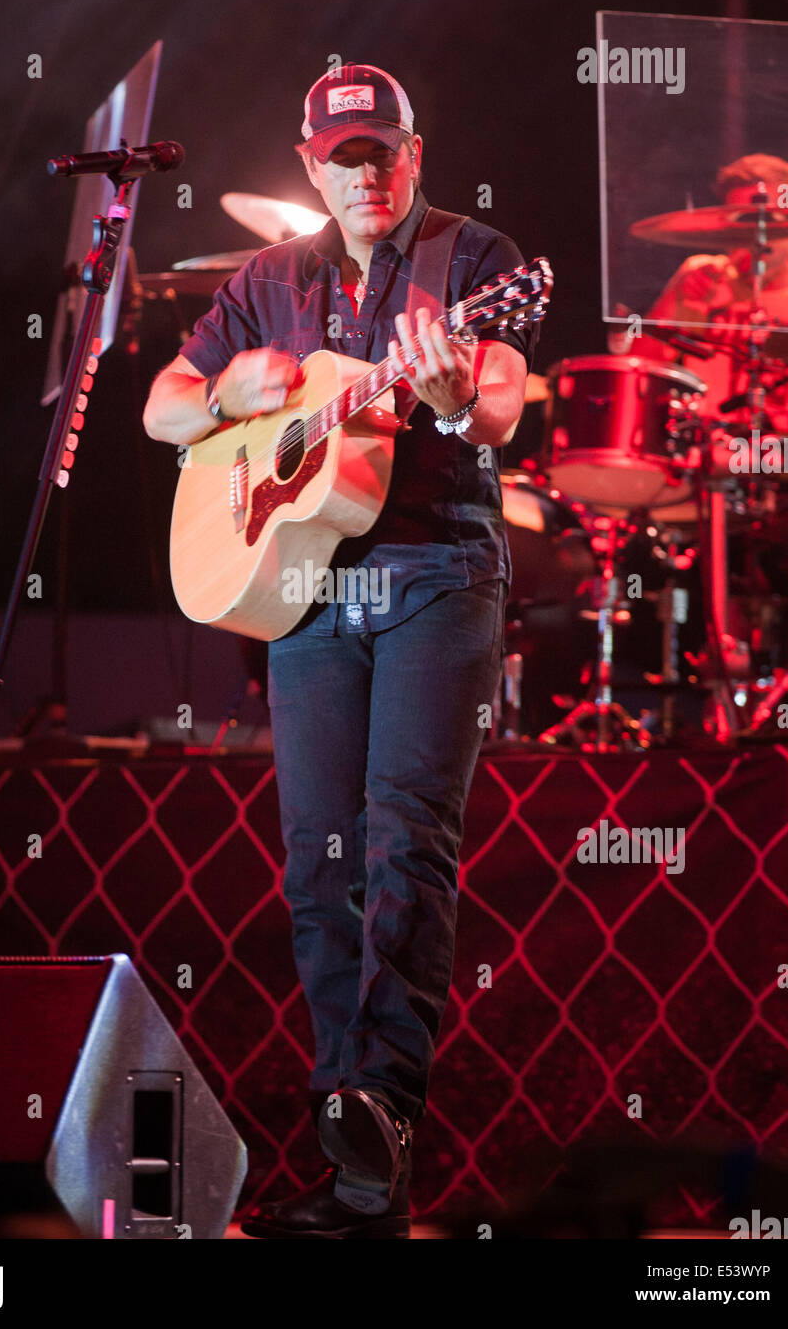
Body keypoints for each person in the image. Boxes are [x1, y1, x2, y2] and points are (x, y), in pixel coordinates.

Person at [143, 63, 538, 1238]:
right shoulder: (269, 280)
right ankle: (341, 1133)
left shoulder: (471, 260)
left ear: (414, 153)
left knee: (403, 840)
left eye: (382, 153)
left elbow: (504, 399)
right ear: (309, 165)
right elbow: (163, 407)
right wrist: (223, 391)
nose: (362, 174)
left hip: (435, 574)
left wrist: (457, 390)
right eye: (340, 157)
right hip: (308, 587)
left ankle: (379, 1117)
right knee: (319, 872)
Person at [637, 154, 788, 437]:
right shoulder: (701, 282)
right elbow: (638, 375)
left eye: (770, 218)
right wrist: (677, 303)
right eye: (743, 219)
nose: (756, 232)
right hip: (716, 463)